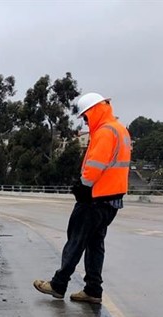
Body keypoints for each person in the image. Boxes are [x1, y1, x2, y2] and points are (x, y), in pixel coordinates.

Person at [33, 92, 131, 304]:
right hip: (111, 200)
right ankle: (93, 290)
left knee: (76, 241)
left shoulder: (105, 132)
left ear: (94, 110)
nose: (86, 121)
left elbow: (96, 165)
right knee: (95, 244)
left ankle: (58, 284)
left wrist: (83, 186)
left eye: (86, 116)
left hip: (94, 198)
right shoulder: (121, 130)